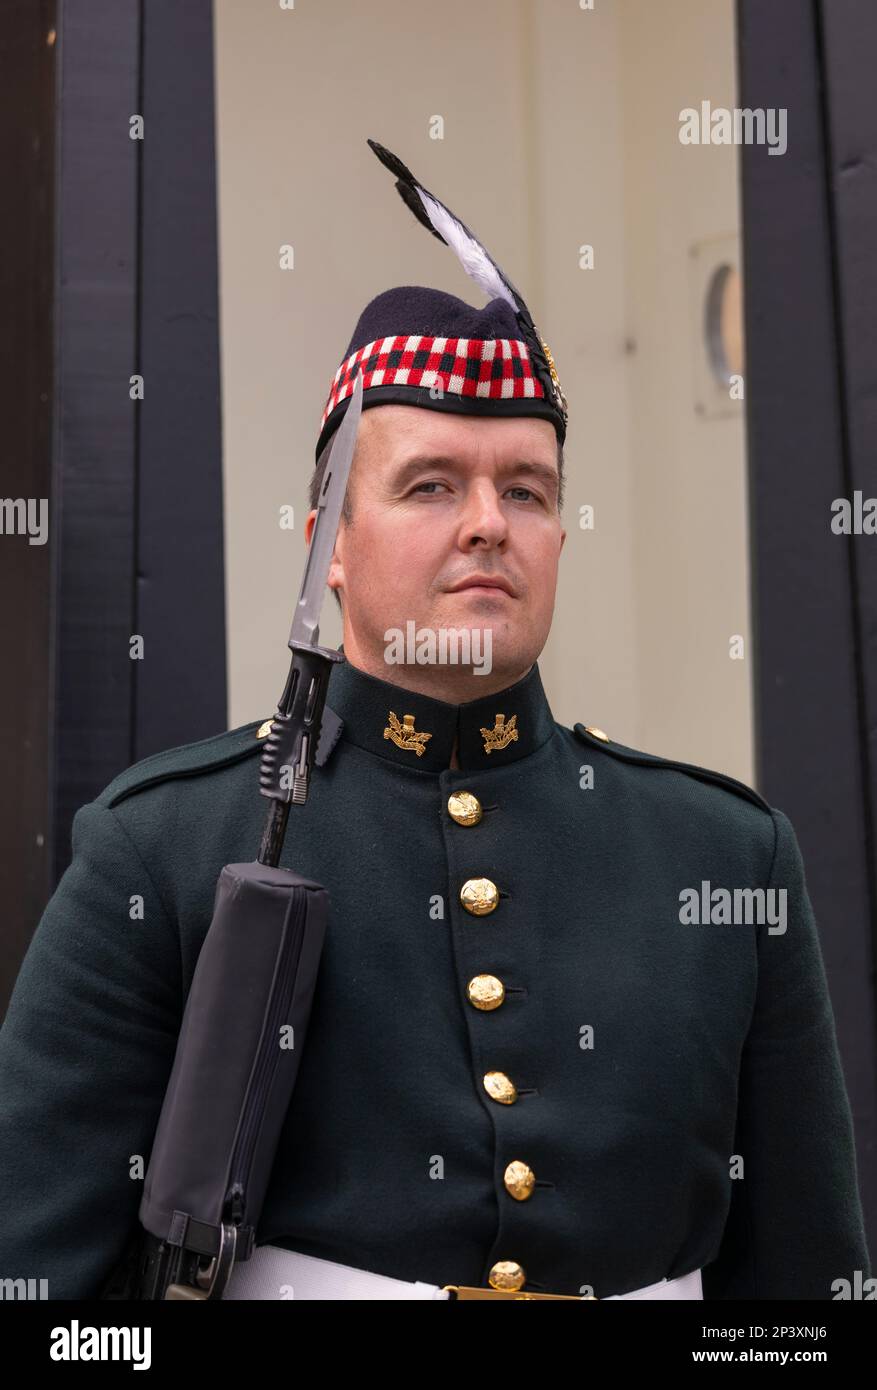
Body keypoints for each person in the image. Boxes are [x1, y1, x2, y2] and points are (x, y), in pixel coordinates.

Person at [0, 145, 870, 1302]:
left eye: (526, 489)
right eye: (428, 485)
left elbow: (800, 1306)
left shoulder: (725, 855)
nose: (488, 524)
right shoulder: (158, 851)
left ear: (560, 535)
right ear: (331, 545)